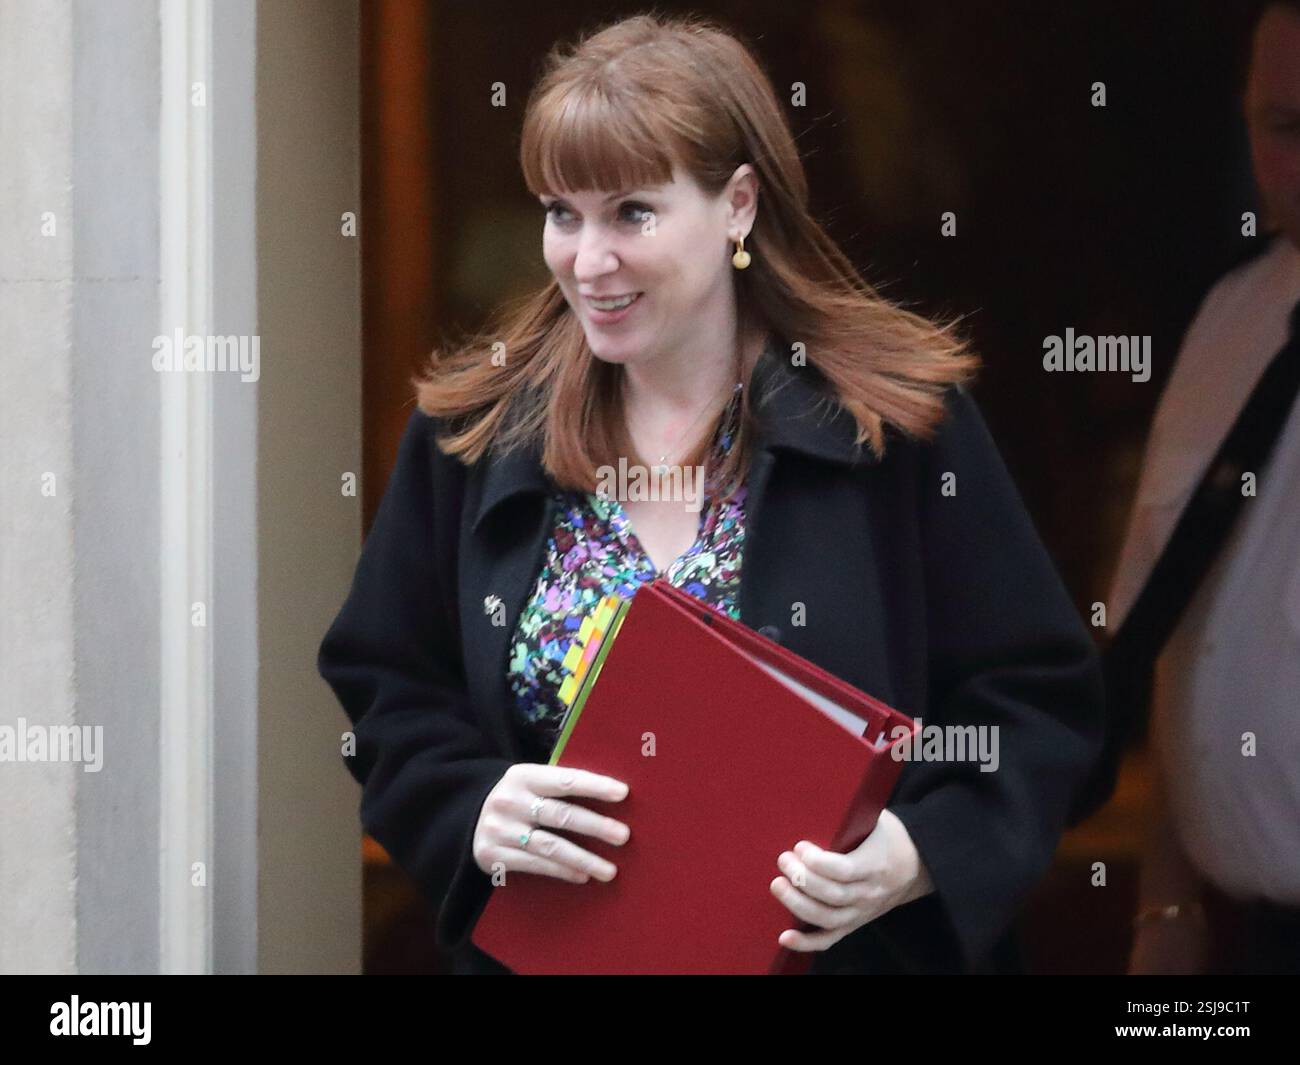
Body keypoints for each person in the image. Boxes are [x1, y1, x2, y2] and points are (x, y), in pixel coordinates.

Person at [317, 12, 1103, 975]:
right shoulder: (474, 432)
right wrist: (469, 806)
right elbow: (388, 687)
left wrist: (919, 851)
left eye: (631, 213)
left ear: (737, 204)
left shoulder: (894, 429)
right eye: (563, 212)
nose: (586, 259)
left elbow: (1038, 703)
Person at [1115, 0, 1300, 975]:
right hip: (1236, 940)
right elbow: (1174, 633)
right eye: (1284, 128)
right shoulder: (1230, 320)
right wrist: (1165, 911)